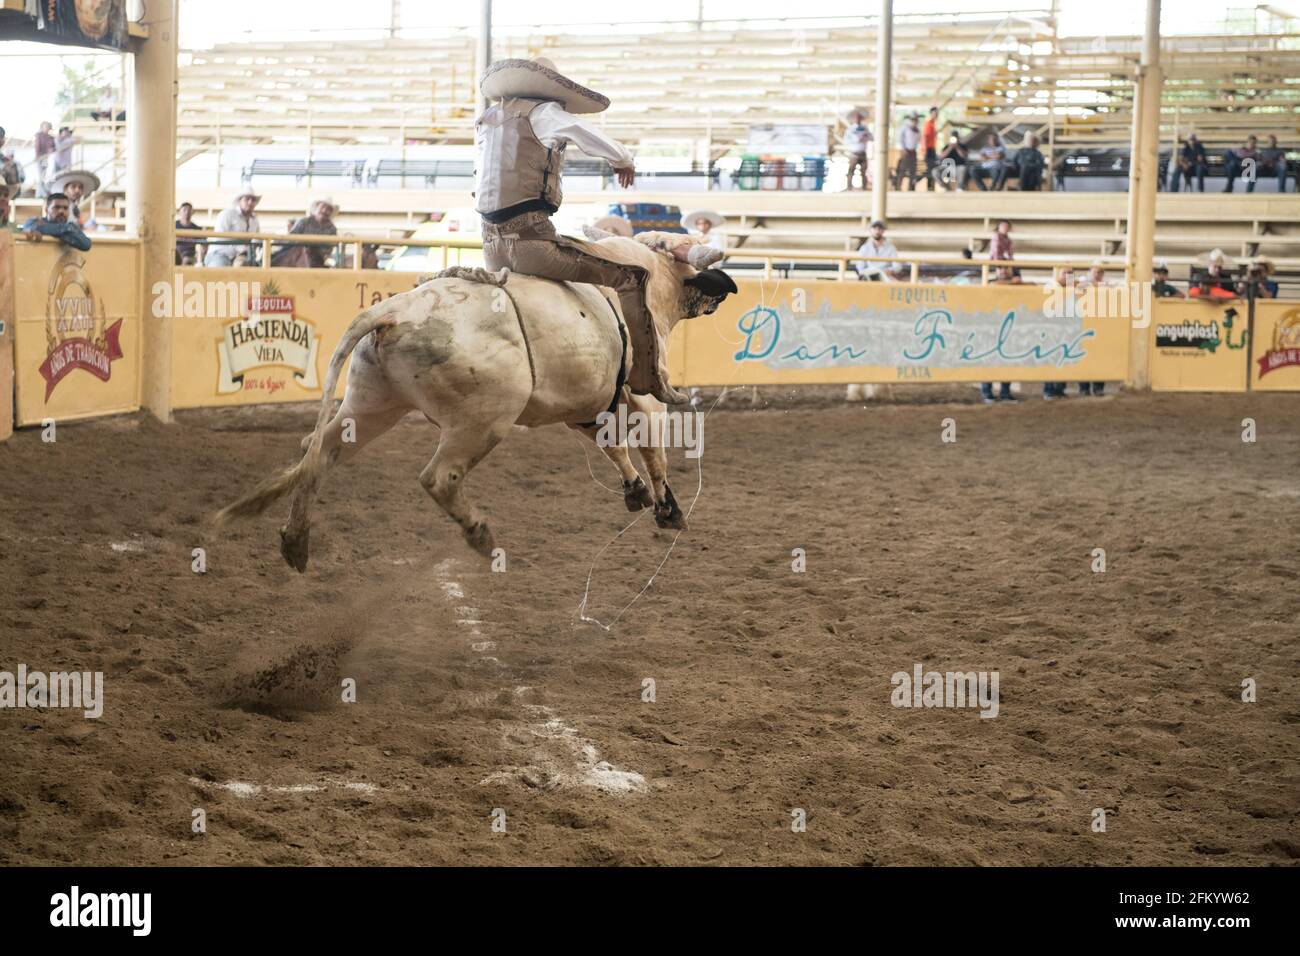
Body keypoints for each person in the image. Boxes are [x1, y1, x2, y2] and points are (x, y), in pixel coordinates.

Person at [474, 56, 683, 404]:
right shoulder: (544, 114)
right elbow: (584, 133)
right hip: (531, 243)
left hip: (490, 244)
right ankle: (647, 377)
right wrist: (622, 158)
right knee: (632, 279)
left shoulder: (487, 119)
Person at [1073, 262, 1112, 395]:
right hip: (1085, 323)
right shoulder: (1085, 281)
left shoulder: (1104, 283)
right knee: (1084, 356)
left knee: (1099, 356)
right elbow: (1076, 284)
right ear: (1090, 272)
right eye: (1095, 271)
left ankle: (1097, 387)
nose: (1098, 274)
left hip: (1099, 324)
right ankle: (1084, 388)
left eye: (1100, 272)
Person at [272, 196, 339, 268]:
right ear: (317, 207)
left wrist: (313, 249)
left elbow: (328, 249)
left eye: (328, 209)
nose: (324, 211)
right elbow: (291, 238)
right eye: (322, 207)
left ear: (331, 212)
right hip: (296, 251)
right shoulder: (304, 221)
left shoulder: (332, 229)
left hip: (317, 257)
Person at [205, 190, 262, 267]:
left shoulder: (255, 220)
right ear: (239, 201)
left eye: (253, 200)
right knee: (219, 273)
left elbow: (256, 239)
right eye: (247, 199)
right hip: (220, 253)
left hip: (243, 256)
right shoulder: (227, 214)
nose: (250, 202)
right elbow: (220, 237)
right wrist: (243, 248)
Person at [1040, 267, 1073, 399]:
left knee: (1063, 359)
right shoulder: (1052, 287)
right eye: (1065, 273)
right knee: (1051, 359)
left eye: (1070, 273)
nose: (1067, 276)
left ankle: (1059, 389)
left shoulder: (1072, 289)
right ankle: (1049, 390)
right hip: (1053, 330)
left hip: (1065, 330)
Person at [21, 192, 92, 250]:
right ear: (46, 209)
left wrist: (48, 229)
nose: (61, 211)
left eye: (65, 208)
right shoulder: (33, 221)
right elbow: (28, 229)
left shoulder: (71, 226)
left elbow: (86, 245)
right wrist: (67, 229)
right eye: (56, 207)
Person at [843, 109, 871, 191]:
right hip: (854, 153)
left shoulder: (865, 129)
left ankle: (864, 187)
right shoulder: (850, 130)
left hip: (863, 152)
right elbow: (846, 140)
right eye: (856, 118)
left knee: (863, 171)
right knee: (851, 171)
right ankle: (849, 187)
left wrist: (864, 137)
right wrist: (855, 140)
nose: (858, 119)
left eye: (859, 117)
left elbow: (871, 137)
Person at [895, 113, 920, 190]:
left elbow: (917, 141)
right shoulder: (905, 128)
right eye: (913, 119)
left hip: (913, 152)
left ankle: (911, 187)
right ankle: (898, 186)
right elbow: (900, 139)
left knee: (913, 170)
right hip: (906, 151)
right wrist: (903, 149)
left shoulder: (917, 130)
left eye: (915, 120)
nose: (914, 121)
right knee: (902, 169)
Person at [33, 121, 55, 196]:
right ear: (42, 127)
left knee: (44, 175)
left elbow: (53, 147)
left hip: (45, 158)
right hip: (40, 158)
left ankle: (41, 193)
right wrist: (37, 157)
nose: (47, 128)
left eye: (48, 127)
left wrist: (51, 150)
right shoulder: (38, 135)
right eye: (45, 127)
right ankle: (39, 193)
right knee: (41, 176)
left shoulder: (50, 137)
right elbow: (37, 147)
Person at [921, 107, 939, 191]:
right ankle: (928, 186)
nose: (936, 114)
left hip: (932, 149)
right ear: (931, 113)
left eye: (937, 113)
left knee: (931, 169)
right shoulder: (928, 124)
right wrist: (925, 151)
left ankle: (931, 187)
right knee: (930, 169)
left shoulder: (933, 124)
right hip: (929, 150)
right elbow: (925, 137)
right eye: (935, 113)